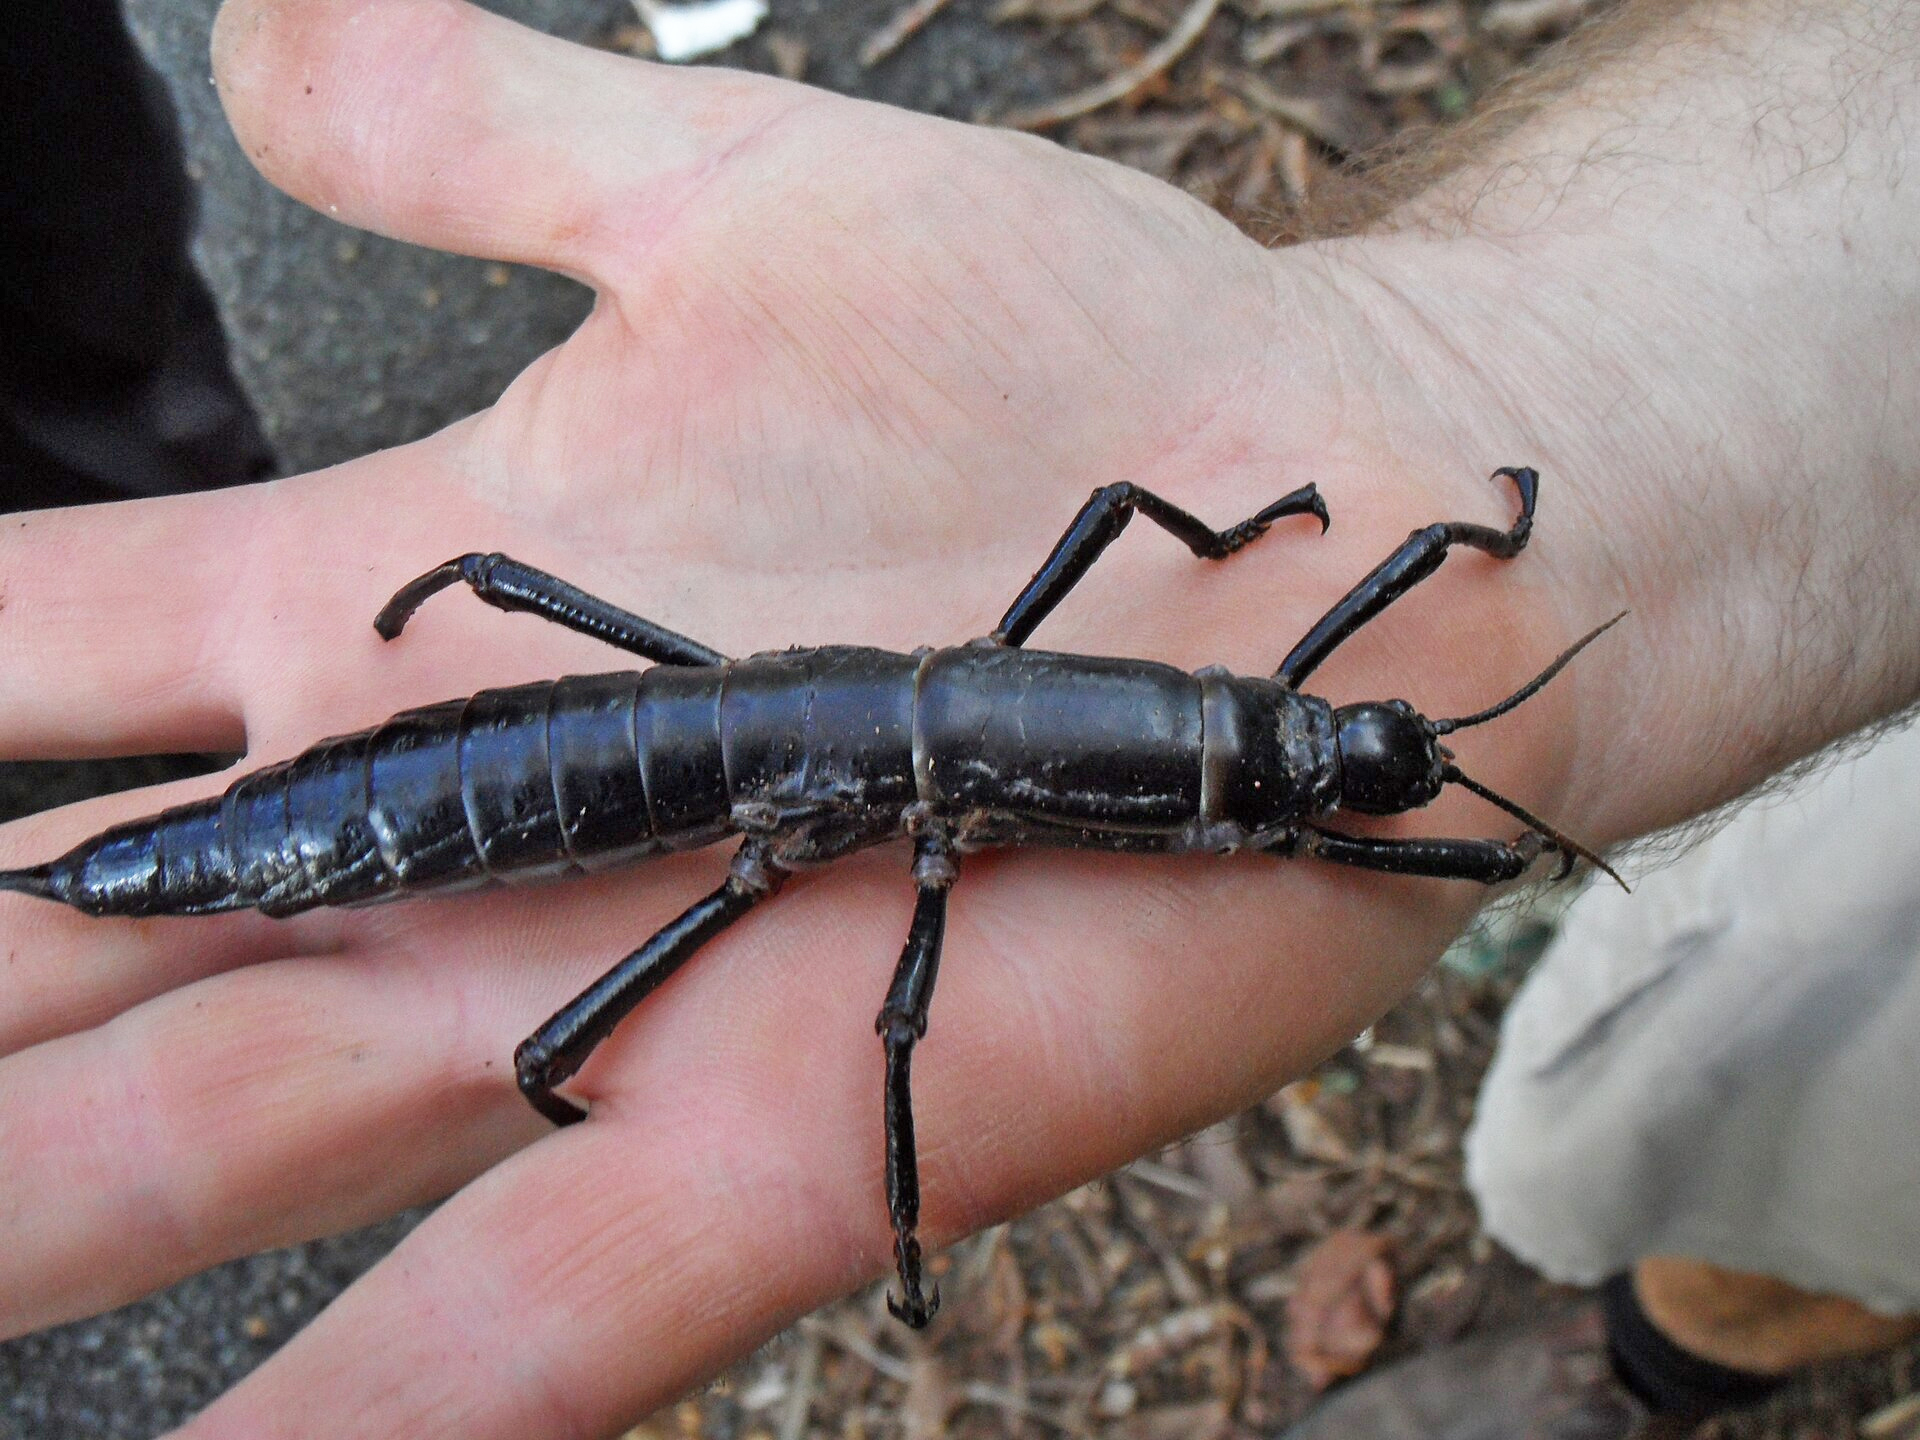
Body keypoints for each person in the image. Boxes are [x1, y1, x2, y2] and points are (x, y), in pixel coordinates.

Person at [0, 0, 1913, 1435]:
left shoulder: (1195, 740)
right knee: (711, 1015)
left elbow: (1339, 688)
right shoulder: (1206, 774)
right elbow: (928, 1003)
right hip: (556, 781)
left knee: (606, 1015)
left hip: (682, 756)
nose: (1333, 766)